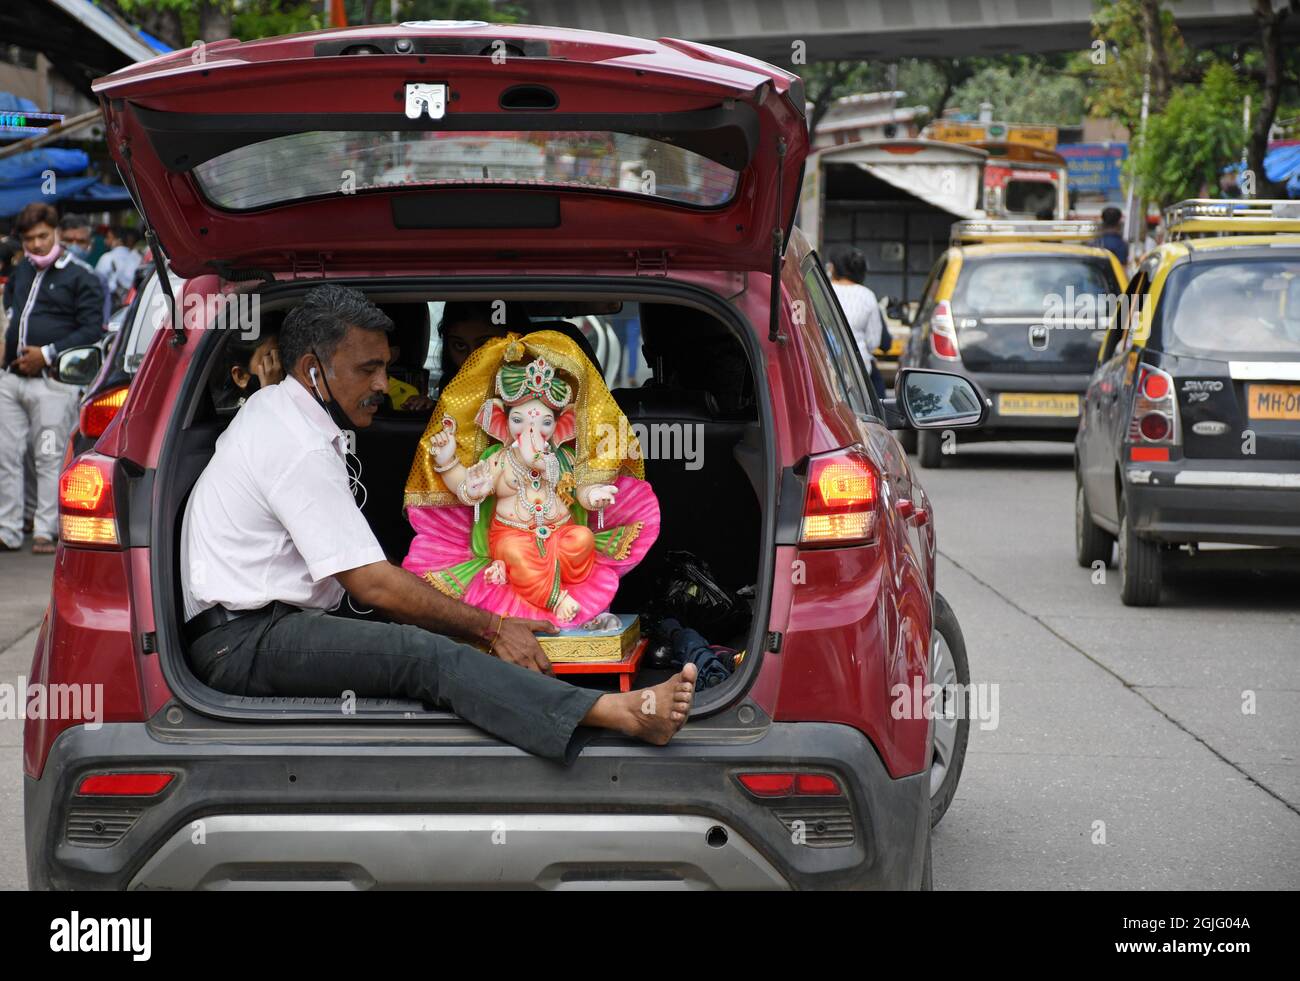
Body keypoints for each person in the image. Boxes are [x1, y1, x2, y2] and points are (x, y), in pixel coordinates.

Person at [181, 283, 696, 763]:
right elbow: (372, 584)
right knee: (420, 654)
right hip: (246, 642)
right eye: (368, 369)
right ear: (314, 370)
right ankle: (611, 712)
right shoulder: (295, 443)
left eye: (386, 366)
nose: (384, 384)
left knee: (431, 631)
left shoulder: (281, 414)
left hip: (263, 628)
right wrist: (495, 627)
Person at [1, 203, 106, 553]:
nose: (37, 245)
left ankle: (45, 530)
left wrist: (46, 353)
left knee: (47, 455)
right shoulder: (22, 273)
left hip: (53, 381)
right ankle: (9, 528)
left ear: (56, 233)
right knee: (7, 454)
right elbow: (12, 313)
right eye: (29, 239)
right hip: (12, 378)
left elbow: (93, 329)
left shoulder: (81, 276)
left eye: (43, 236)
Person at [828, 246, 887, 398]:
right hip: (857, 372)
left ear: (834, 268)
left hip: (824, 368)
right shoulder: (867, 296)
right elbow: (874, 342)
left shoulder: (824, 290)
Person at [58, 214, 113, 326]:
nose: (74, 246)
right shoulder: (43, 273)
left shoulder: (97, 279)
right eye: (68, 240)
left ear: (90, 245)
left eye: (80, 241)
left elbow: (102, 322)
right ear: (58, 240)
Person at [95, 226, 142, 307]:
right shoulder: (137, 257)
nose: (105, 241)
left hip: (111, 304)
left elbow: (97, 282)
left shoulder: (107, 257)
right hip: (135, 303)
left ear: (118, 240)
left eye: (108, 237)